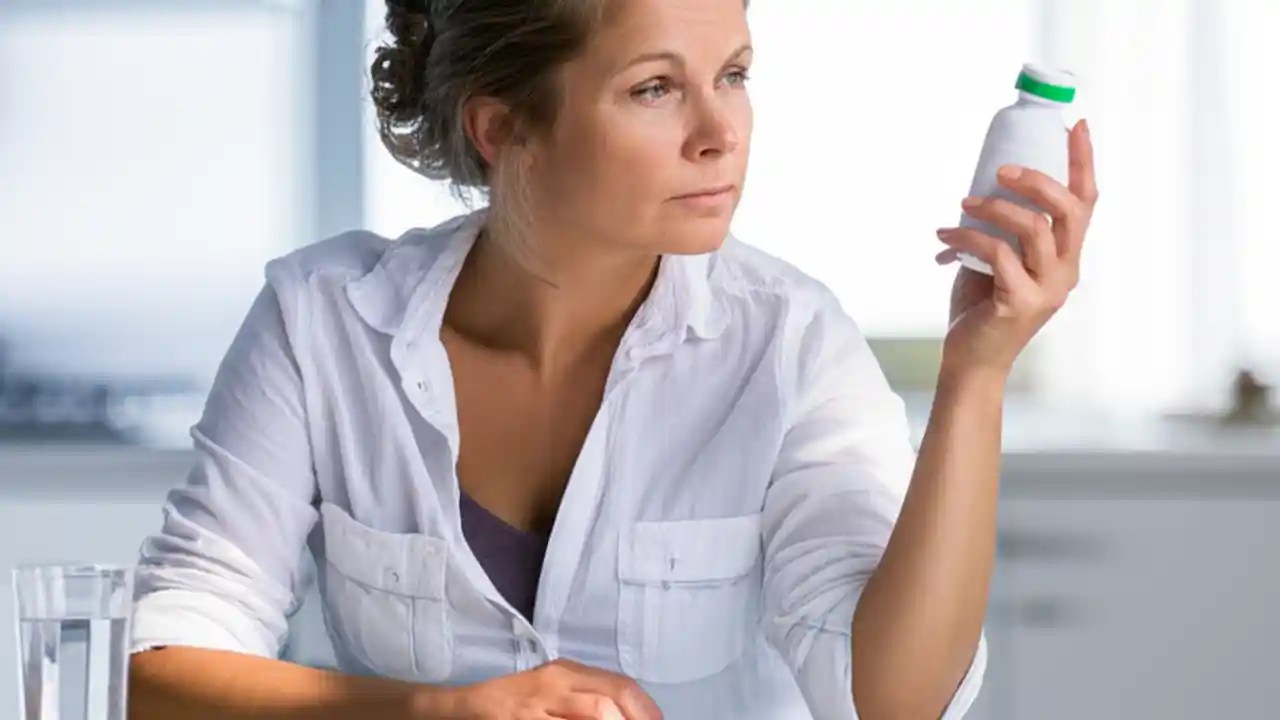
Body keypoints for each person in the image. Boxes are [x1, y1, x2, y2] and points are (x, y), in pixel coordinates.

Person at [125, 0, 1098, 718]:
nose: (720, 136)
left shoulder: (789, 344)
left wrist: (976, 373)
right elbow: (159, 665)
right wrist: (438, 710)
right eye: (654, 89)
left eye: (734, 75)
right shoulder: (321, 326)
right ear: (502, 129)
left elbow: (892, 698)